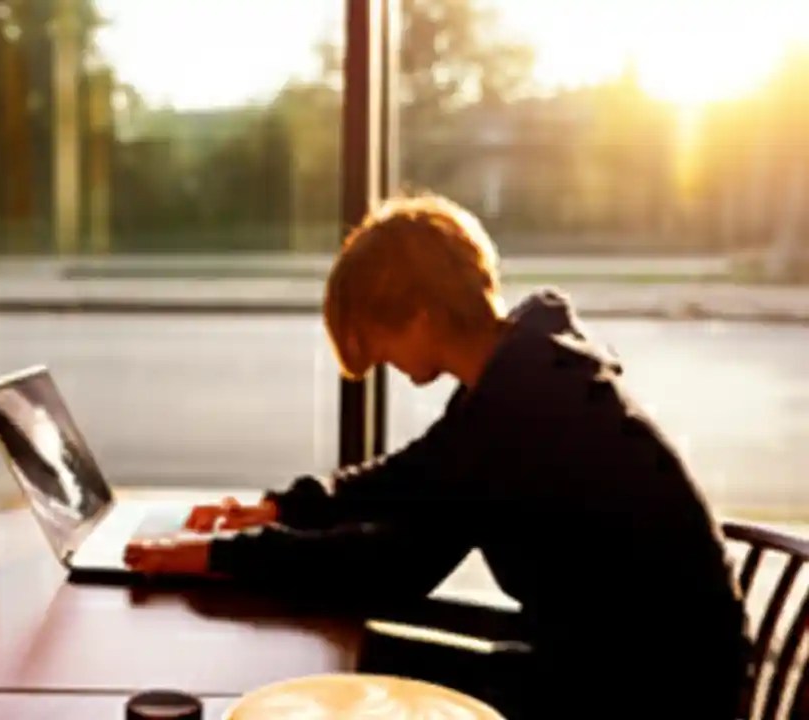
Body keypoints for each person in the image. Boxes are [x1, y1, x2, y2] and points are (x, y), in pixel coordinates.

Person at [123, 195, 749, 717]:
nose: (380, 361)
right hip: (624, 661)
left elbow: (394, 564)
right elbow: (413, 475)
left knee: (356, 682)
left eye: (378, 338)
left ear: (420, 316)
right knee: (371, 658)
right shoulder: (524, 369)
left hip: (645, 696)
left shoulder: (523, 409)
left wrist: (217, 555)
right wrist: (277, 507)